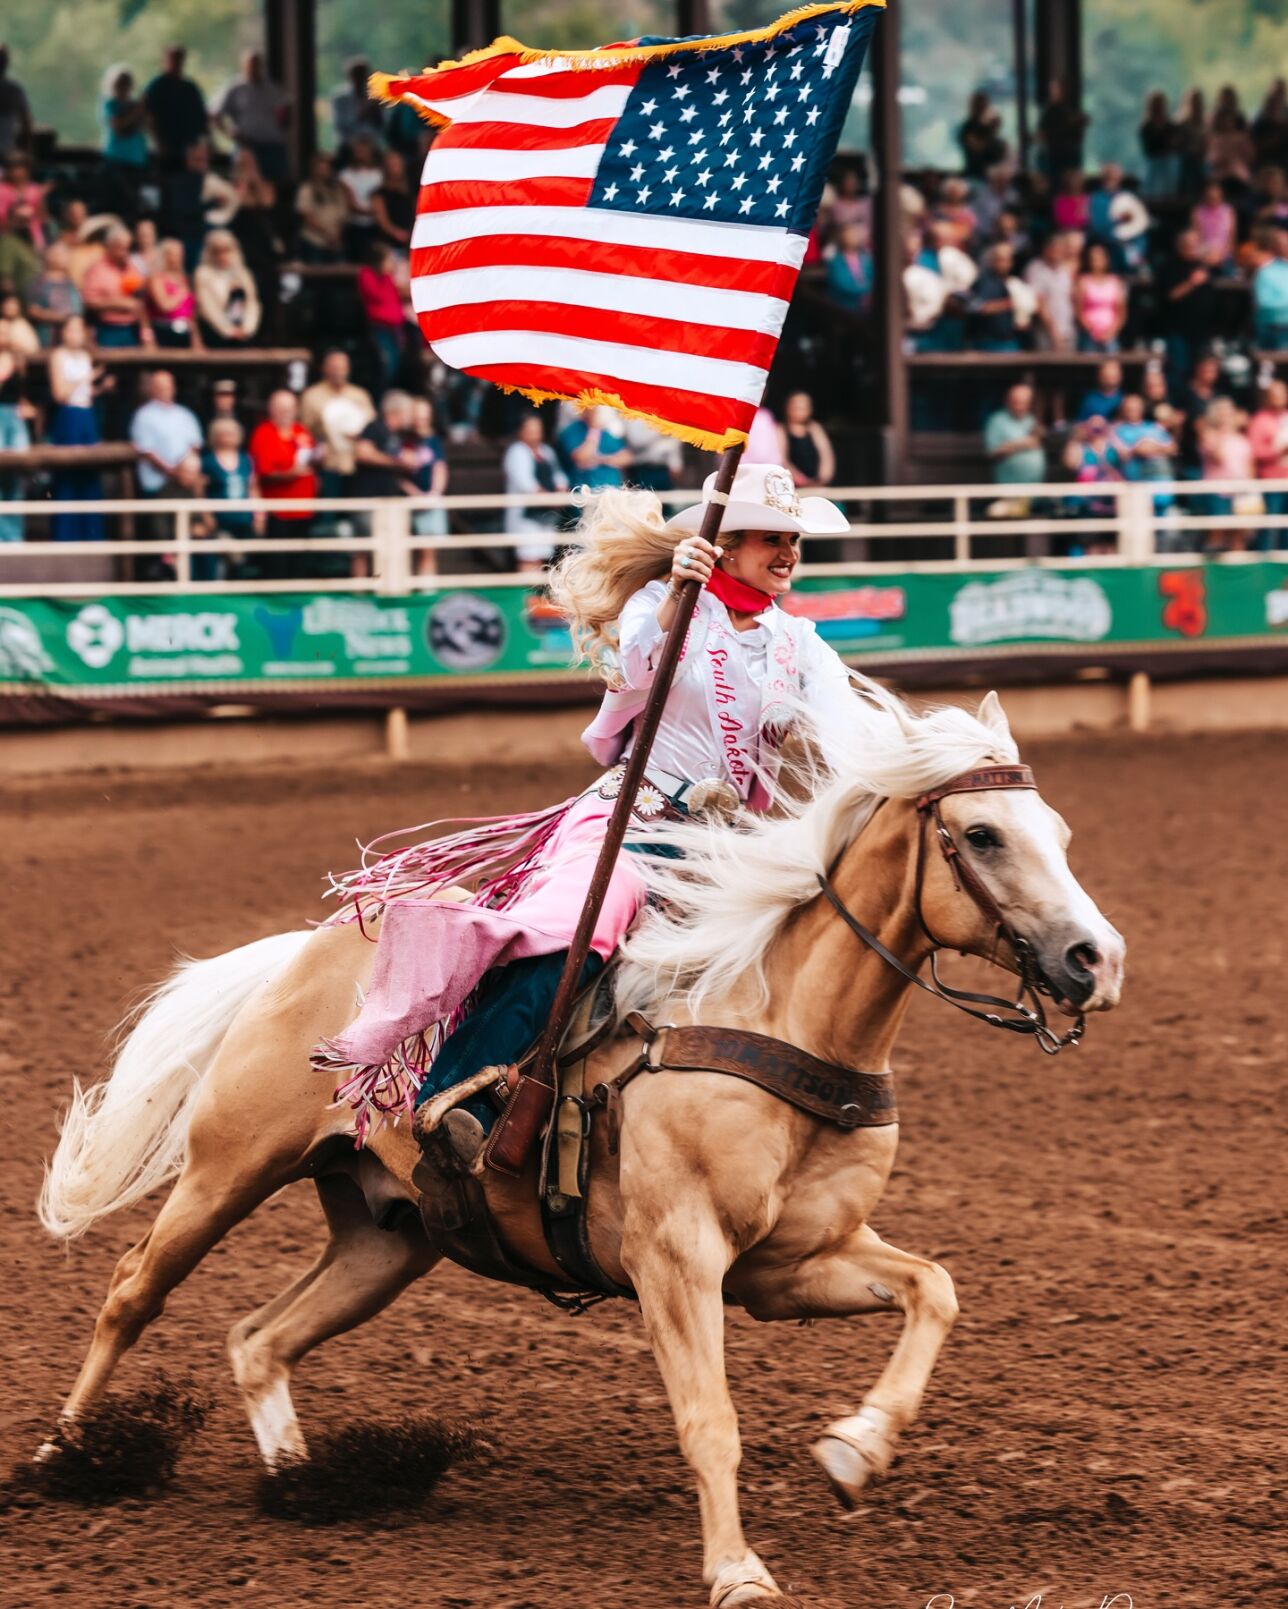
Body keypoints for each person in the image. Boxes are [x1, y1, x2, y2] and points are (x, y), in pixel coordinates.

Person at [314, 461, 861, 1151]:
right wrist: (673, 602)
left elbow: (852, 739)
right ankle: (461, 1097)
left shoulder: (799, 645)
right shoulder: (667, 604)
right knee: (580, 923)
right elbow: (632, 673)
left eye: (794, 541)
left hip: (733, 845)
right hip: (638, 820)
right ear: (721, 544)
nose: (786, 554)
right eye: (765, 537)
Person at [47, 315, 109, 541]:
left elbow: (85, 392)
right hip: (69, 416)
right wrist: (88, 377)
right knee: (68, 475)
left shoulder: (85, 356)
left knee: (89, 475)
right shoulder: (58, 356)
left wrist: (100, 388)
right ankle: (66, 534)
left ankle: (91, 533)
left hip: (86, 415)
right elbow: (60, 394)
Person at [247, 389, 319, 577]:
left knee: (299, 558)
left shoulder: (301, 431)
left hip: (304, 508)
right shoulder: (263, 433)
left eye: (289, 408)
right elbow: (265, 474)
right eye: (280, 408)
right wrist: (291, 474)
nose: (285, 413)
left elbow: (310, 458)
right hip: (277, 510)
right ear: (271, 410)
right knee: (277, 560)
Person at [299, 348, 375, 499]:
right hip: (327, 466)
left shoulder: (360, 395)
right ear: (324, 369)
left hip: (358, 465)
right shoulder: (311, 396)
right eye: (334, 368)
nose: (339, 372)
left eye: (342, 368)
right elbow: (304, 432)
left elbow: (373, 428)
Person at [503, 411, 569, 573]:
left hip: (546, 514)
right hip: (526, 515)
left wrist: (560, 492)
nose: (534, 434)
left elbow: (559, 475)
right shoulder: (516, 452)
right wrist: (549, 498)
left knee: (541, 558)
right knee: (528, 557)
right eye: (530, 429)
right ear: (521, 431)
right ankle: (526, 597)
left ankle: (535, 597)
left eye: (537, 429)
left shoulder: (546, 451)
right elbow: (525, 482)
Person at [210, 50, 291, 184]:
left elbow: (285, 109)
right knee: (245, 186)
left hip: (273, 147)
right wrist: (231, 133)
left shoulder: (272, 88)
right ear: (243, 66)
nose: (254, 68)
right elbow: (214, 114)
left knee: (277, 186)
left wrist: (283, 127)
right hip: (247, 147)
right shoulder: (235, 87)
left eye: (257, 64)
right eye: (251, 64)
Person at [196, 417, 259, 580]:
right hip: (220, 520)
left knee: (241, 563)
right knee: (218, 563)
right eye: (223, 433)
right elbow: (200, 490)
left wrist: (259, 514)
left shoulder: (246, 460)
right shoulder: (207, 462)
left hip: (243, 518)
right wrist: (206, 514)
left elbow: (252, 487)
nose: (228, 437)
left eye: (231, 433)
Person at [1157, 230, 1223, 382]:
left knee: (1202, 369)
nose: (1192, 247)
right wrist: (1191, 283)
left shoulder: (1203, 265)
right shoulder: (1170, 266)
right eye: (1188, 244)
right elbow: (1170, 295)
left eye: (1195, 243)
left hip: (1203, 330)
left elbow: (1219, 267)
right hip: (1178, 330)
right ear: (1180, 245)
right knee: (1179, 369)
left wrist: (1215, 259)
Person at [1198, 396, 1256, 551]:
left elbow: (1249, 466)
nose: (1226, 418)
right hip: (1217, 492)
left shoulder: (1241, 439)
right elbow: (1218, 456)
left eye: (1229, 414)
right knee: (1217, 534)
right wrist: (1224, 432)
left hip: (1240, 493)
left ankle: (1239, 571)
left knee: (1239, 535)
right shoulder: (1208, 435)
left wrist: (1251, 491)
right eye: (1222, 414)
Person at [81, 225, 151, 348]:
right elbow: (89, 302)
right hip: (107, 330)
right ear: (109, 247)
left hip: (132, 330)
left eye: (127, 248)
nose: (125, 253)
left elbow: (140, 302)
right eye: (120, 248)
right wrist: (119, 304)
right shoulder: (97, 270)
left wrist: (146, 334)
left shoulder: (132, 268)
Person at [145, 45, 209, 170]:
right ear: (165, 61)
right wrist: (159, 142)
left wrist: (205, 143)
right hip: (167, 147)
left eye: (179, 59)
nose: (176, 63)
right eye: (173, 59)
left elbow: (201, 117)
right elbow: (149, 115)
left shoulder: (190, 88)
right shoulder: (157, 86)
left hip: (189, 148)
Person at [194, 229, 261, 346]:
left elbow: (252, 302)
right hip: (215, 333)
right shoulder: (203, 274)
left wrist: (247, 328)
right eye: (217, 252)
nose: (222, 256)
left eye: (226, 251)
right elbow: (208, 307)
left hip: (243, 333)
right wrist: (228, 330)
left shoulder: (243, 274)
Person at [357, 240, 407, 391]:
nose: (393, 263)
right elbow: (378, 297)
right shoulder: (367, 275)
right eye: (389, 259)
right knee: (386, 365)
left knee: (398, 364)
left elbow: (396, 299)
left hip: (395, 330)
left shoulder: (388, 278)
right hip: (379, 329)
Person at [408, 395, 448, 576]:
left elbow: (440, 468)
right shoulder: (404, 439)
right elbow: (397, 473)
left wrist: (433, 494)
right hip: (409, 500)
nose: (420, 419)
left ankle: (427, 590)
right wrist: (414, 493)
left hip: (429, 500)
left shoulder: (434, 441)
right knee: (408, 549)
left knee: (428, 550)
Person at [0, 317, 32, 541]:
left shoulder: (18, 360)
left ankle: (14, 538)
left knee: (17, 474)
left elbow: (20, 391)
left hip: (13, 417)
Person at [1248, 379, 1288, 546]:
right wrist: (1280, 450)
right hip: (1271, 483)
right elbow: (1255, 452)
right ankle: (1265, 568)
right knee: (1271, 526)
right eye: (1274, 394)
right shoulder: (1259, 420)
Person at [557, 404, 631, 490]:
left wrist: (603, 459)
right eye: (589, 409)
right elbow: (582, 458)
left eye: (594, 408)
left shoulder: (605, 432)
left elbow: (627, 458)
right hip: (585, 490)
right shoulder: (571, 432)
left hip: (612, 489)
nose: (592, 412)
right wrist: (594, 431)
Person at [985, 384, 1046, 486]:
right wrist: (1020, 444)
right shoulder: (997, 420)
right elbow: (992, 453)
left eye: (1025, 403)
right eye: (1017, 402)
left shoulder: (1031, 419)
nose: (1020, 407)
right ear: (1008, 401)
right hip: (1010, 486)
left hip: (1034, 487)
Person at [145, 237, 200, 348]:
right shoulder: (156, 279)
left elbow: (192, 312)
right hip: (164, 331)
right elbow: (164, 305)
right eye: (174, 254)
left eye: (180, 254)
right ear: (165, 256)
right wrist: (180, 294)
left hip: (186, 332)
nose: (179, 257)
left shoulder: (184, 278)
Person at [1025, 233, 1076, 351]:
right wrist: (1053, 331)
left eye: (1061, 250)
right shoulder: (1035, 269)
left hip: (1068, 330)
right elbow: (1039, 302)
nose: (1058, 253)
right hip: (1046, 332)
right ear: (1046, 249)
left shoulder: (1064, 271)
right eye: (1055, 249)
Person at [967, 241, 1021, 351]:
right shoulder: (986, 282)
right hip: (989, 343)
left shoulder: (1008, 282)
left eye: (1008, 260)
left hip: (1007, 341)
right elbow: (975, 307)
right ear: (991, 261)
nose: (1005, 264)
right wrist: (1008, 304)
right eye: (1001, 260)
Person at [295, 151, 348, 261]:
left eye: (326, 168)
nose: (323, 171)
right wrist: (326, 234)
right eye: (320, 168)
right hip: (314, 241)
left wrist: (336, 234)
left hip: (335, 242)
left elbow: (342, 215)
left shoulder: (337, 190)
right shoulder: (306, 189)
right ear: (313, 169)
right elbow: (306, 216)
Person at [1074, 242, 1126, 353]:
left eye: (1100, 258)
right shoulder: (1083, 281)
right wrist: (1091, 329)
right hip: (1089, 334)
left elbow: (1121, 311)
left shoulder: (1115, 282)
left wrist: (1111, 331)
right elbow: (1078, 310)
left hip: (1110, 334)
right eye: (1093, 259)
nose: (1097, 262)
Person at [777, 391, 835, 487]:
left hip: (818, 485)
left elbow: (826, 456)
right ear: (788, 408)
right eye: (796, 408)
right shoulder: (781, 430)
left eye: (803, 408)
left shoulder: (815, 428)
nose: (799, 411)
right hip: (792, 485)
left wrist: (822, 479)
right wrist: (800, 480)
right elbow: (782, 459)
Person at [101, 66, 149, 183]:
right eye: (120, 84)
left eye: (126, 83)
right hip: (117, 160)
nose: (123, 87)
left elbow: (146, 127)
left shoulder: (135, 105)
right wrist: (137, 111)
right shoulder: (110, 104)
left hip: (137, 160)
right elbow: (118, 126)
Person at [339, 133, 384, 259]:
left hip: (374, 225)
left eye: (363, 151)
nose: (360, 154)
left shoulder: (378, 174)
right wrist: (373, 211)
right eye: (358, 151)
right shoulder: (346, 175)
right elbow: (350, 203)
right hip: (354, 225)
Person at [332, 58, 384, 160]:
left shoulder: (373, 97)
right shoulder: (341, 98)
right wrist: (363, 111)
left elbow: (383, 127)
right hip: (348, 146)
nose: (362, 80)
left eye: (364, 76)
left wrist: (378, 111)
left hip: (372, 146)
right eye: (359, 76)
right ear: (351, 77)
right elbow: (340, 124)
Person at [370, 149, 415, 253]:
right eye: (392, 165)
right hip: (390, 245)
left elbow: (416, 212)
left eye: (398, 164)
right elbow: (382, 221)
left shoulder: (411, 191)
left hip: (411, 241)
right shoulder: (379, 194)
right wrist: (397, 233)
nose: (396, 168)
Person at [1253, 227, 1288, 350]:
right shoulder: (1266, 271)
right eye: (1283, 244)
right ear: (1275, 247)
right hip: (1278, 326)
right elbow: (1264, 302)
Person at [825, 221, 871, 314]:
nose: (854, 237)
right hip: (845, 308)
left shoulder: (866, 257)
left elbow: (873, 277)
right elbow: (842, 285)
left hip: (867, 307)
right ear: (842, 238)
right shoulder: (836, 261)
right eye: (850, 235)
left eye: (855, 234)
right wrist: (865, 292)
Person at [1139, 92, 1179, 198]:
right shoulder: (1146, 127)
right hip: (1153, 162)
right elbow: (1147, 149)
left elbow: (1175, 145)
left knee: (1169, 190)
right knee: (1150, 191)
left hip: (1167, 161)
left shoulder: (1171, 125)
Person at [958, 91, 1005, 179]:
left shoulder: (989, 127)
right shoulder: (969, 127)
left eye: (984, 105)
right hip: (975, 175)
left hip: (994, 177)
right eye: (980, 106)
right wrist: (987, 129)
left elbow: (999, 153)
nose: (982, 108)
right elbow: (977, 149)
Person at [1192, 180, 1237, 271]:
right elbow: (1196, 236)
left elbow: (1231, 238)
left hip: (1224, 254)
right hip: (1203, 253)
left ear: (1221, 196)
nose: (1213, 199)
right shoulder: (1198, 211)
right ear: (1204, 196)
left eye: (1216, 197)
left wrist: (1221, 255)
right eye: (1210, 197)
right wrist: (1207, 253)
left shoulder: (1228, 211)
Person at [0, 46, 33, 162]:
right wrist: (28, 150)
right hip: (7, 152)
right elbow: (26, 122)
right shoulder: (14, 89)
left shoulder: (14, 89)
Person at [1077, 359, 1124, 424]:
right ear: (1099, 376)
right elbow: (1080, 424)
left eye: (1113, 377)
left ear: (1120, 377)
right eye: (1106, 377)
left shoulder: (1124, 399)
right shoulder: (1090, 399)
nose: (1109, 381)